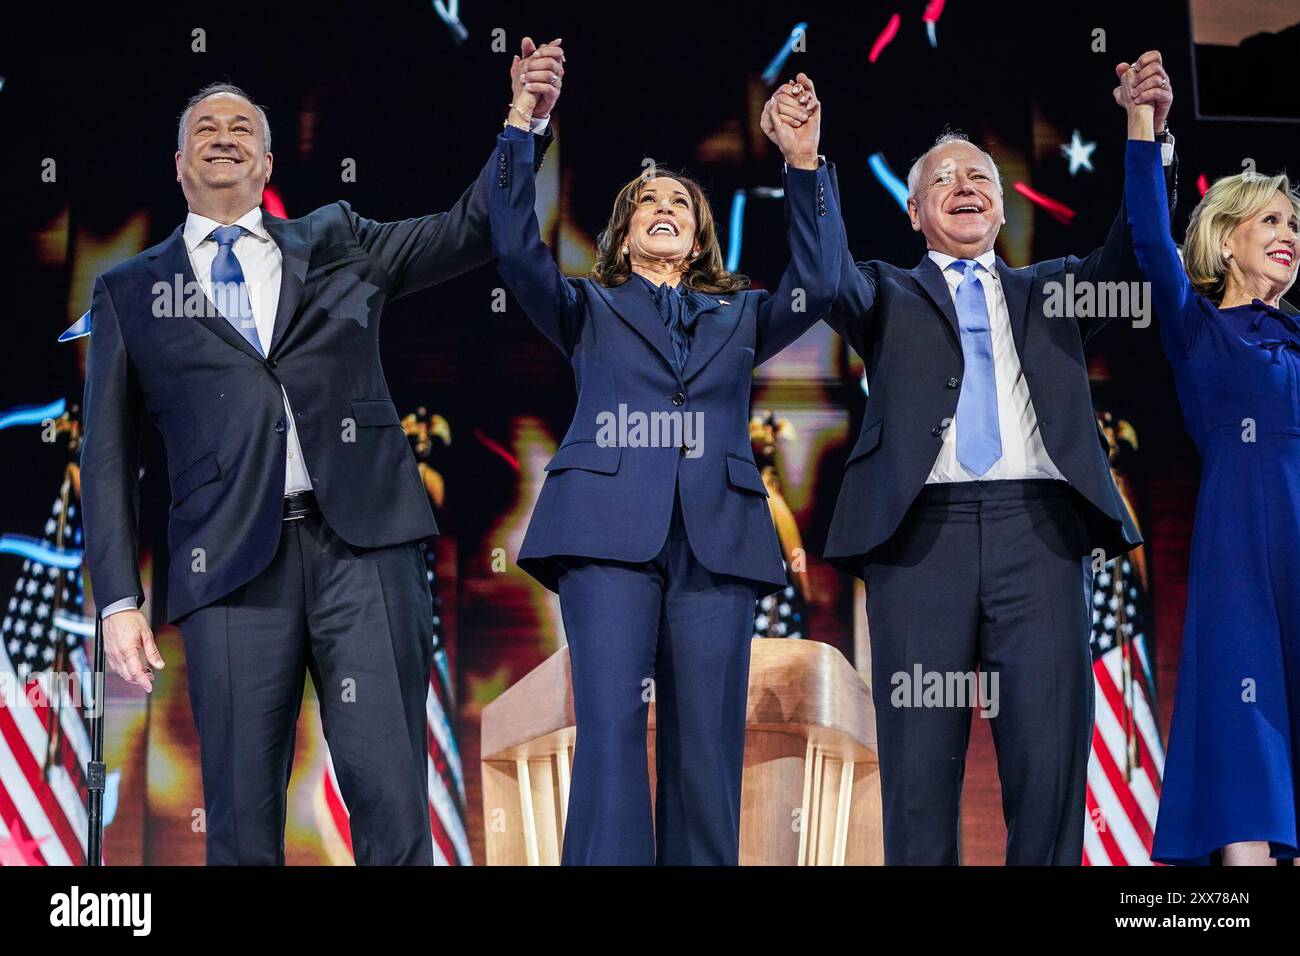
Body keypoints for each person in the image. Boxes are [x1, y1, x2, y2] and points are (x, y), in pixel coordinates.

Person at [78, 40, 562, 865]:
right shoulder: (129, 290)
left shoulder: (338, 240)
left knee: (392, 802)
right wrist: (119, 598)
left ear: (267, 157)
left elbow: (469, 229)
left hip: (365, 551)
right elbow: (108, 455)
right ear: (178, 161)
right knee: (239, 817)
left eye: (241, 126)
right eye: (205, 127)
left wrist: (522, 121)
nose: (223, 135)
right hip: (228, 569)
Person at [761, 53, 1178, 865]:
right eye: (945, 178)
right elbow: (819, 275)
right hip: (923, 540)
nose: (966, 184)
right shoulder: (883, 293)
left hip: (1041, 534)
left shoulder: (1054, 289)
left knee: (1050, 760)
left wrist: (1144, 133)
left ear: (1001, 204)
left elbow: (1135, 252)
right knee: (918, 768)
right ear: (916, 211)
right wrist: (806, 163)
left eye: (980, 176)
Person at [490, 70, 841, 864]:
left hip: (717, 540)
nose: (665, 210)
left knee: (709, 744)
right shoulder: (588, 307)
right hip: (607, 533)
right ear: (619, 235)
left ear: (701, 237)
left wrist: (805, 163)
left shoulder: (743, 313)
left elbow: (820, 283)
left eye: (681, 203)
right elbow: (513, 246)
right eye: (648, 202)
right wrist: (523, 124)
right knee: (611, 730)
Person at [1121, 63, 1300, 866]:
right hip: (1237, 545)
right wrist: (1143, 130)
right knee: (1245, 709)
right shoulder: (1198, 327)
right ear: (1228, 238)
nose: (1290, 233)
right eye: (1271, 219)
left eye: (1295, 222)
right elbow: (1152, 237)